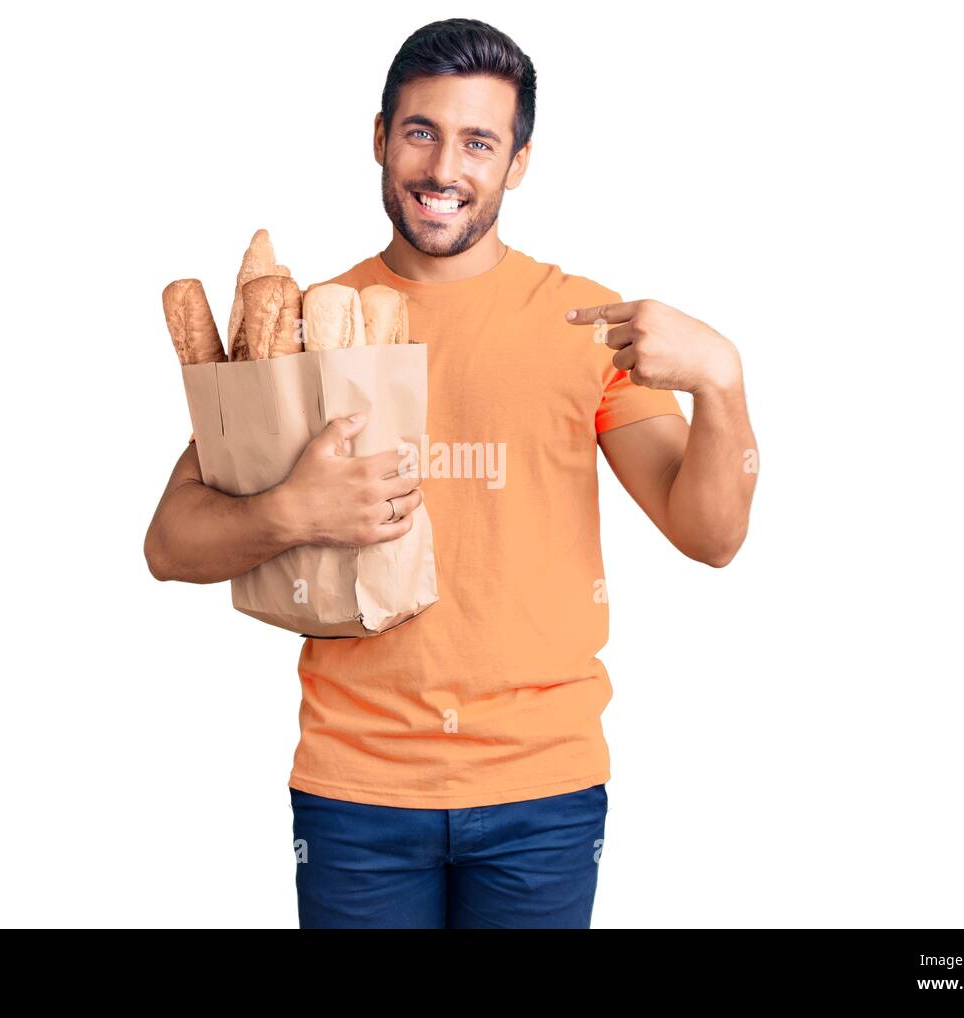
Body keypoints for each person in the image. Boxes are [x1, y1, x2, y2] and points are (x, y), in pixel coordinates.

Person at [144, 17, 758, 928]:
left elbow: (710, 536)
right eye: (422, 131)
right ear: (381, 138)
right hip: (355, 785)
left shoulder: (585, 325)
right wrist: (292, 510)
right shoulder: (316, 323)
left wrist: (722, 378)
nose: (443, 170)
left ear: (517, 163)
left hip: (541, 787)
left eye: (480, 141)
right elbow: (169, 544)